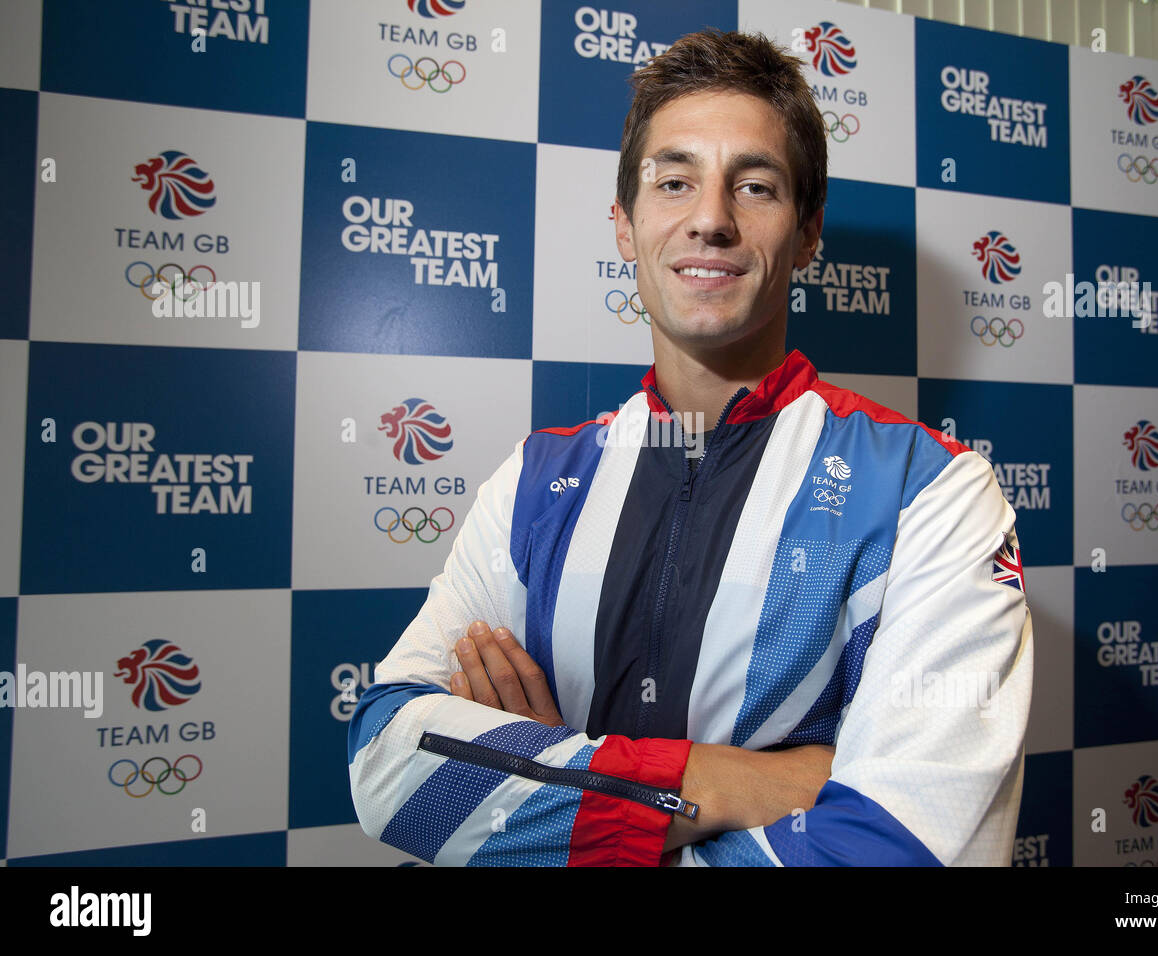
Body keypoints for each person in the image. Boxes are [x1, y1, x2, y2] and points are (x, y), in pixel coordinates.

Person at [348, 28, 1033, 866]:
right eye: (674, 182)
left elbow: (903, 843)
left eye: (755, 186)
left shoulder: (933, 491)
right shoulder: (535, 482)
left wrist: (556, 794)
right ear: (626, 227)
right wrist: (735, 781)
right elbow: (389, 758)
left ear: (809, 235)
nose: (710, 219)